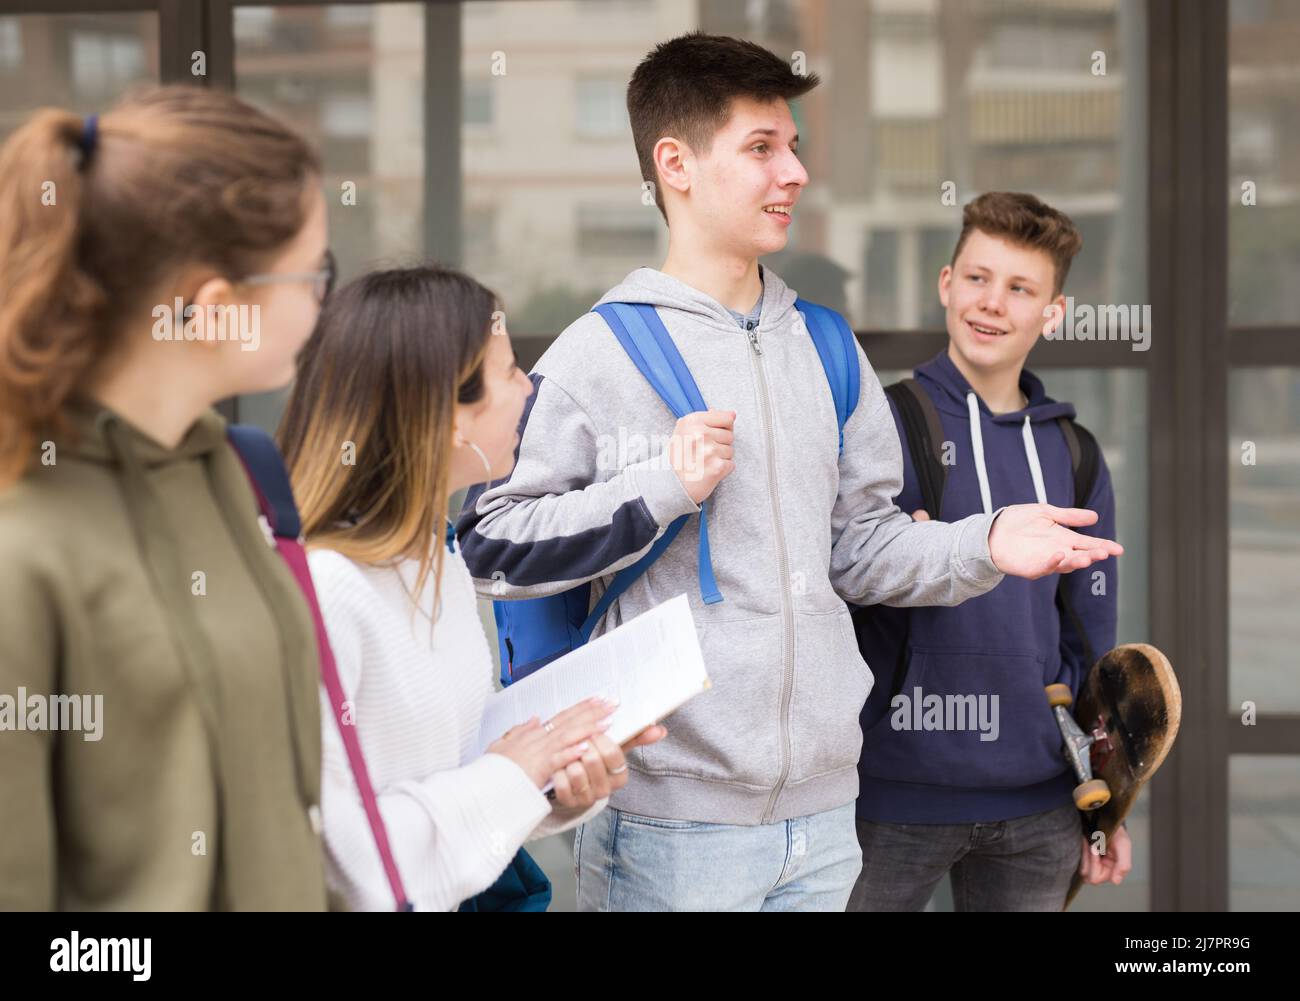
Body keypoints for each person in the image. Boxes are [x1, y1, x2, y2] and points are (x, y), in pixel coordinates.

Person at [456, 32, 1122, 911]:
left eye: (795, 147)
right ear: (676, 164)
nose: (795, 173)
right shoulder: (599, 351)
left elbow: (862, 551)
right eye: (762, 149)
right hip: (672, 827)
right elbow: (494, 543)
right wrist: (659, 486)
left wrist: (987, 542)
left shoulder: (826, 345)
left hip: (825, 824)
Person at [0, 86, 333, 909]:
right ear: (215, 308)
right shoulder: (22, 544)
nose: (326, 301)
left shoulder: (221, 465)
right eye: (314, 272)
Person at [277, 265, 665, 911]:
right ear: (445, 412)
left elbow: (450, 773)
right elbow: (341, 861)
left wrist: (550, 786)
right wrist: (515, 774)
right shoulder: (325, 591)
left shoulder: (433, 556)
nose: (528, 390)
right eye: (510, 371)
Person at [848, 192, 1128, 912]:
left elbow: (1091, 644)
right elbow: (843, 575)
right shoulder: (886, 422)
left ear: (1052, 313)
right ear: (946, 284)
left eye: (1020, 288)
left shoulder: (1074, 451)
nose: (991, 303)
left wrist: (1107, 806)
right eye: (977, 278)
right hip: (891, 795)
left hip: (1039, 807)